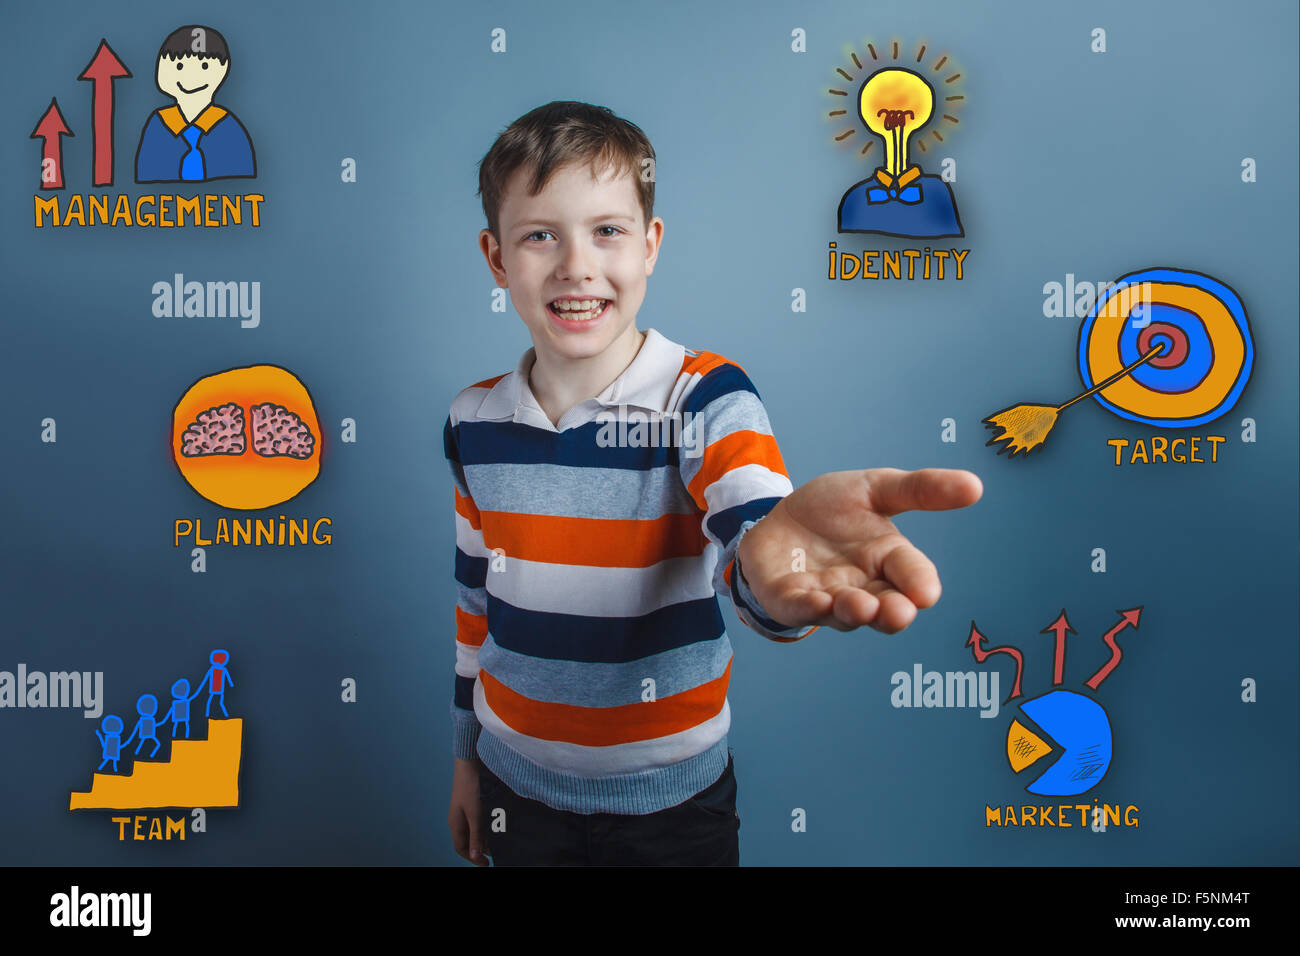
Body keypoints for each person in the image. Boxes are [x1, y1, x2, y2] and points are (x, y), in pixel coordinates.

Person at [445, 101, 983, 867]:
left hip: (672, 811)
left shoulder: (705, 396)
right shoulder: (472, 420)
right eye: (540, 235)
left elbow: (754, 531)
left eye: (607, 230)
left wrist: (776, 565)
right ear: (497, 258)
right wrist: (466, 757)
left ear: (650, 246)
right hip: (513, 790)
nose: (576, 265)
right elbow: (475, 600)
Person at [135, 25, 255, 183]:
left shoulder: (229, 129)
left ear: (223, 68)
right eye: (179, 66)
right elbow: (147, 179)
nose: (190, 77)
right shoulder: (159, 125)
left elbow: (242, 181)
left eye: (204, 66)